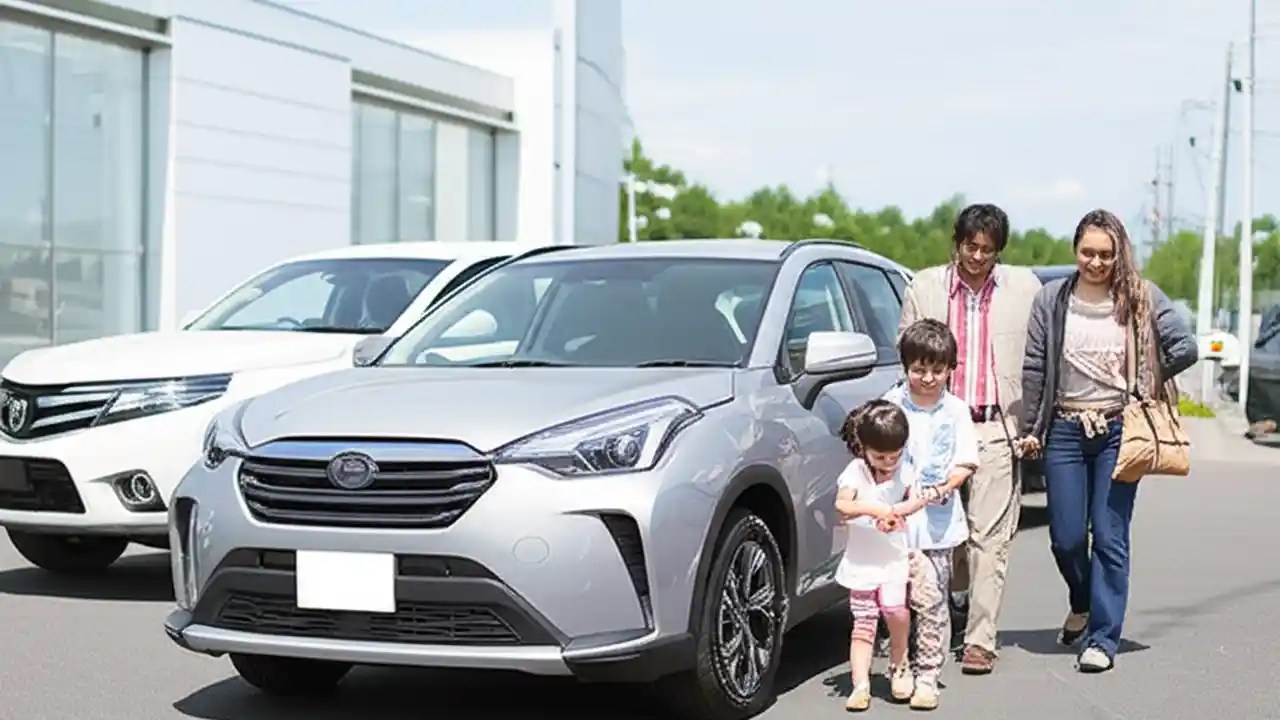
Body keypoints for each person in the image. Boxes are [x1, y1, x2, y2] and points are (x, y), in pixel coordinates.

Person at [1018, 209, 1196, 672]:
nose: (1096, 262)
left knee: (1110, 536)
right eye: (1087, 252)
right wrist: (1031, 430)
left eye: (1105, 254)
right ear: (1075, 251)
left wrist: (1146, 384)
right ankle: (1083, 602)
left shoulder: (1140, 297)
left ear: (1120, 254)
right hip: (1064, 430)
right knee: (1067, 538)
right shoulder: (1052, 300)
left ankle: (1102, 638)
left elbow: (1184, 346)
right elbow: (1035, 365)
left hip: (1121, 429)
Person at [898, 203, 1042, 674]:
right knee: (936, 538)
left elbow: (1041, 356)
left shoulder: (1024, 289)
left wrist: (1033, 424)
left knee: (989, 539)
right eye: (970, 246)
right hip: (935, 427)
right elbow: (906, 355)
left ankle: (981, 639)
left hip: (995, 427)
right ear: (955, 243)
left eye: (988, 249)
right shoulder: (924, 287)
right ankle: (935, 624)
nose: (978, 256)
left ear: (999, 251)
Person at [882, 318, 979, 709]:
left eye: (937, 370)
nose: (927, 378)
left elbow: (966, 462)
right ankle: (899, 663)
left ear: (950, 370)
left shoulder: (955, 411)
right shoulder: (889, 405)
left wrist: (942, 488)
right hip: (894, 525)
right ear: (905, 366)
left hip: (937, 527)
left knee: (932, 603)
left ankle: (928, 675)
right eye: (919, 369)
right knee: (894, 601)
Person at [834, 400, 940, 712]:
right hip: (863, 561)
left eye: (894, 456)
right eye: (880, 456)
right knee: (863, 622)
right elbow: (843, 505)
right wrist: (876, 510)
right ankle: (860, 683)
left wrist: (896, 513)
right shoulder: (855, 472)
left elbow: (915, 499)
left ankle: (900, 660)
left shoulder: (905, 471)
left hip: (893, 558)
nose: (889, 463)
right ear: (862, 447)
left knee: (896, 611)